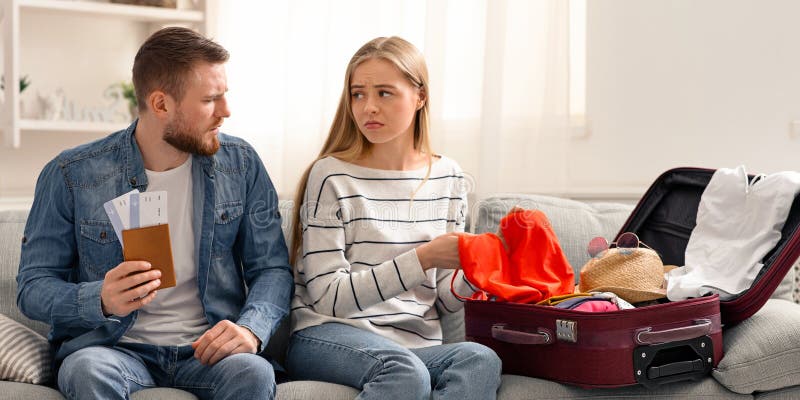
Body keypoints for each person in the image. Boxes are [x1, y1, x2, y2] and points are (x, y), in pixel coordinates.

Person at [16, 27, 293, 400]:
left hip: (208, 350)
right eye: (211, 99)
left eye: (224, 95)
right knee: (87, 370)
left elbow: (271, 268)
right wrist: (99, 299)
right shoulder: (72, 173)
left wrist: (251, 329)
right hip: (115, 349)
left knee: (254, 374)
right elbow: (33, 287)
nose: (226, 111)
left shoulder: (241, 165)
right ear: (161, 104)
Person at [285, 36, 502, 400]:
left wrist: (485, 272)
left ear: (420, 97)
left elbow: (446, 299)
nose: (368, 107)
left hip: (413, 345)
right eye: (358, 94)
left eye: (384, 93)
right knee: (403, 371)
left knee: (480, 359)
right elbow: (328, 298)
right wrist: (424, 258)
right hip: (327, 335)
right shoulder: (331, 175)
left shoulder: (448, 175)